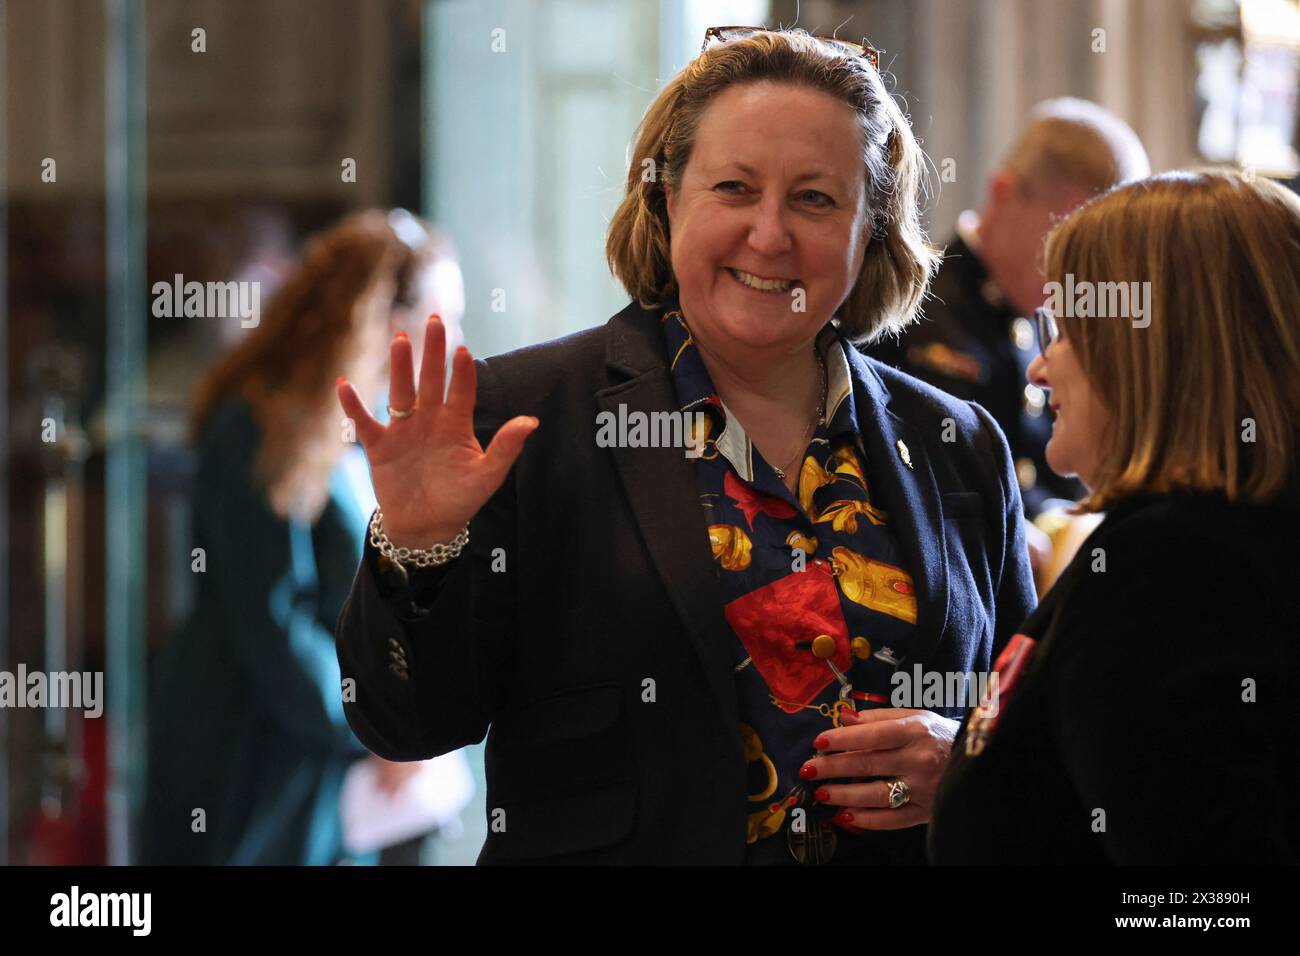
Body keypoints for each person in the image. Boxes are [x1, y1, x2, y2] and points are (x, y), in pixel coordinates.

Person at [336, 27, 1035, 865]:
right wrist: (416, 552)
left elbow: (1032, 723)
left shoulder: (958, 445)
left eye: (815, 199)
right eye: (734, 188)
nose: (769, 236)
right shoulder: (523, 416)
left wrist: (968, 762)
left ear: (872, 229)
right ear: (667, 199)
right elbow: (407, 725)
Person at [929, 170, 1300, 864]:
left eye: (1065, 331)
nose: (1039, 369)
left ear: (1152, 350)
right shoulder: (1243, 537)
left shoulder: (1170, 570)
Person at [142, 209, 466, 865]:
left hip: (326, 758)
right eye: (441, 317)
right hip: (251, 750)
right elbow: (273, 620)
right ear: (380, 317)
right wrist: (375, 726)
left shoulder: (365, 430)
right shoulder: (260, 427)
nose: (455, 340)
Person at [865, 98, 1149, 522]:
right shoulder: (910, 302)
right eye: (1066, 236)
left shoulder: (1053, 315)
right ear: (1003, 194)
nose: (1085, 264)